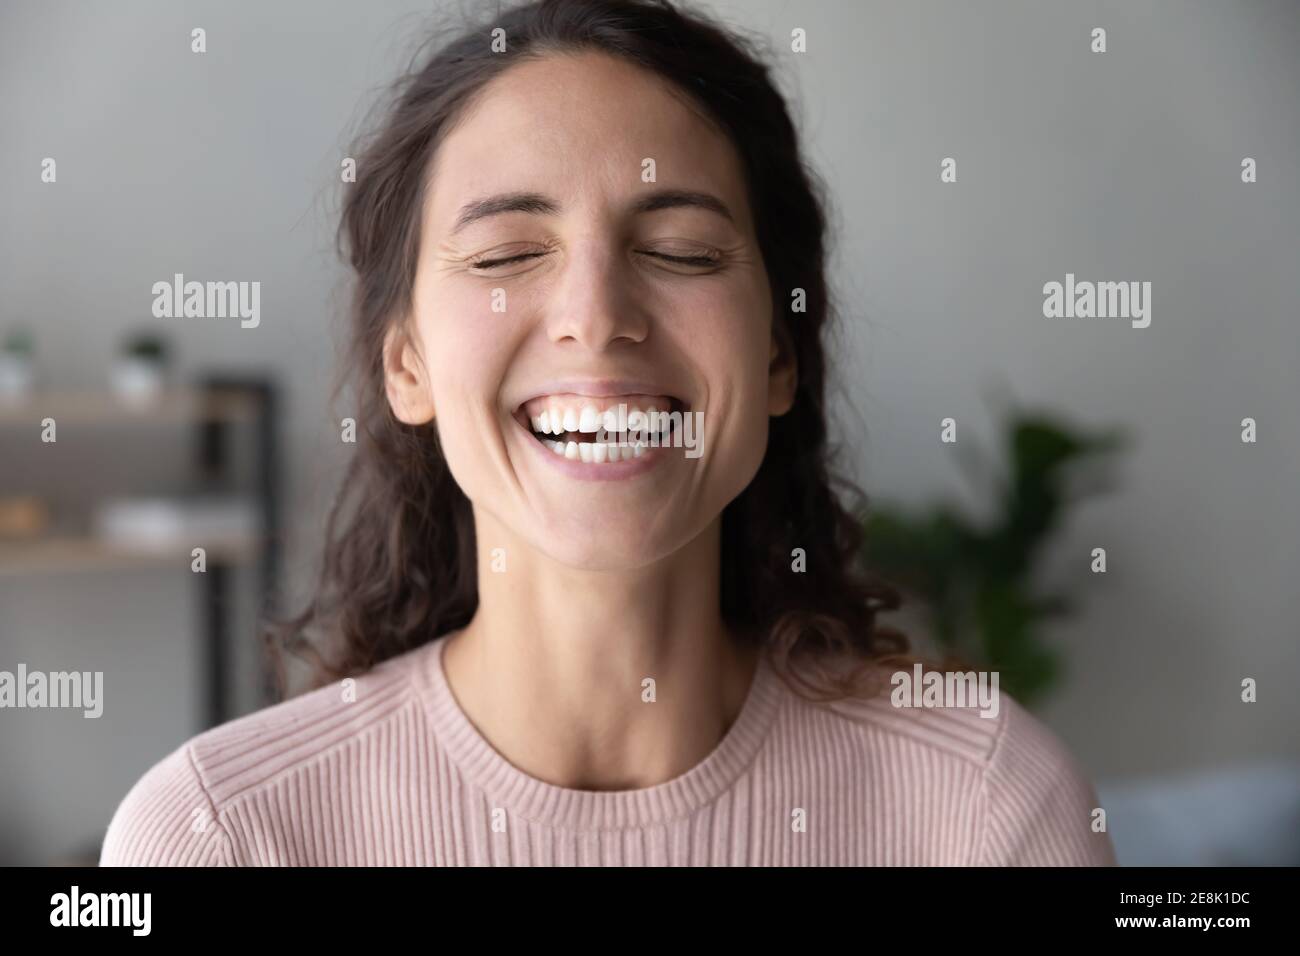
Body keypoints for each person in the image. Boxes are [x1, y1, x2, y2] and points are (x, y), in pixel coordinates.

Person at [100, 0, 1115, 867]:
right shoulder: (219, 835)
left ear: (776, 355)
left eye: (679, 249)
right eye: (505, 255)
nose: (597, 314)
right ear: (404, 361)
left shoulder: (984, 811)